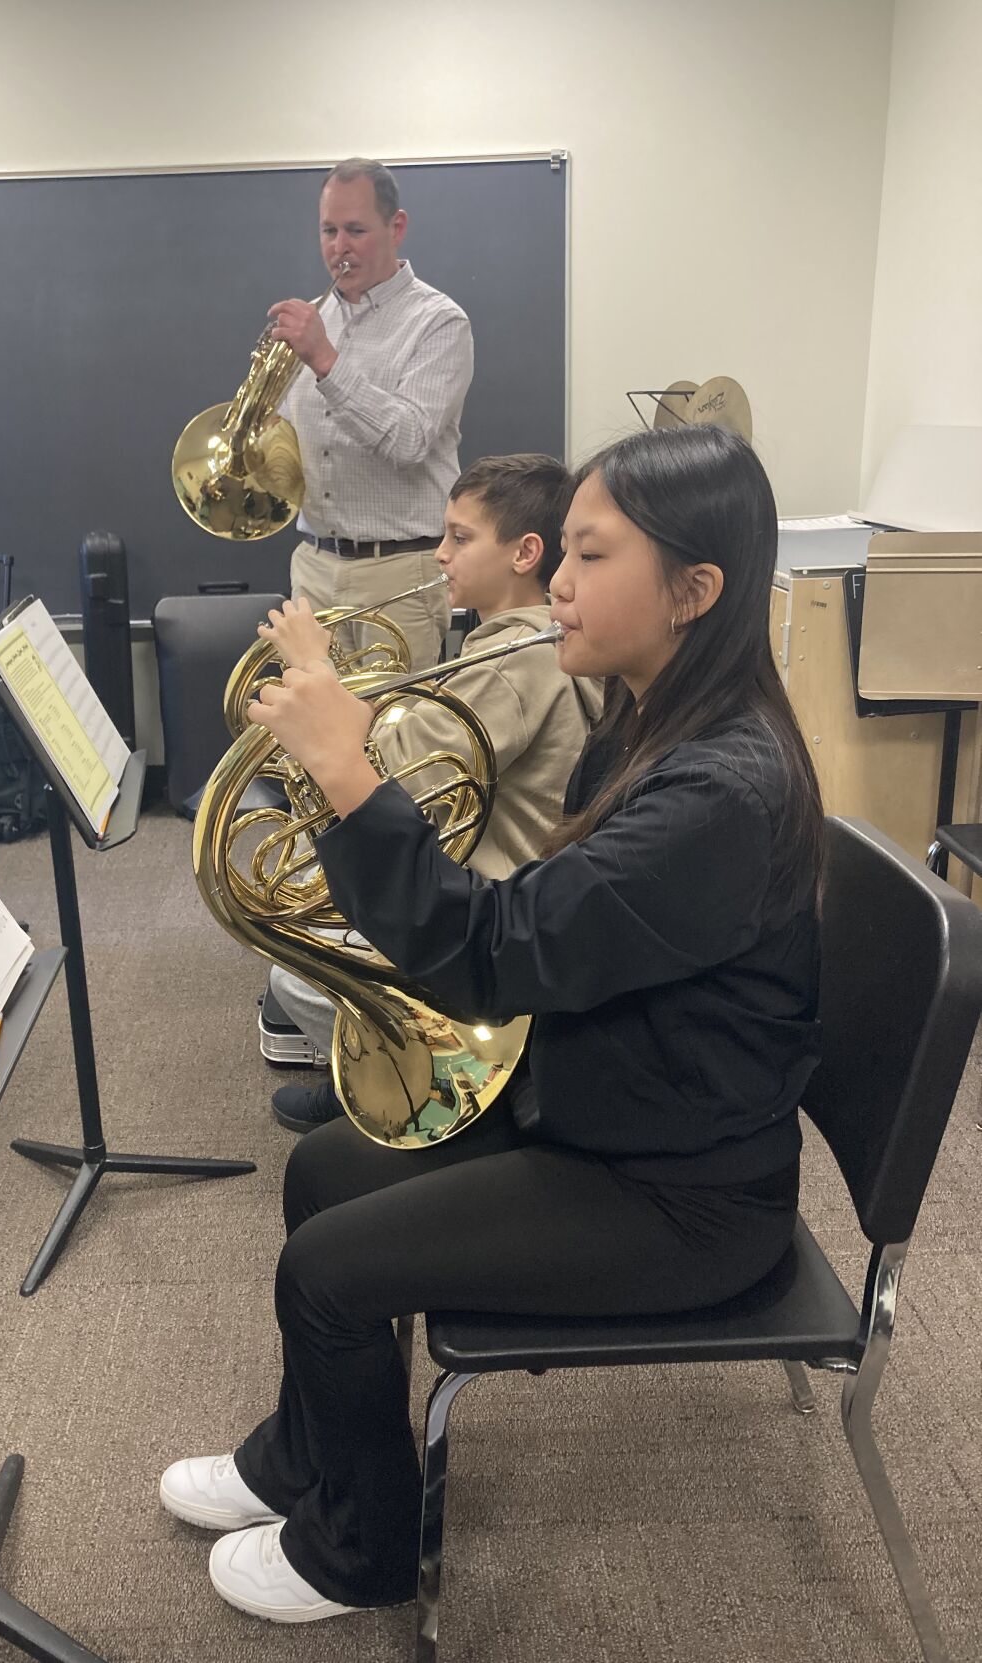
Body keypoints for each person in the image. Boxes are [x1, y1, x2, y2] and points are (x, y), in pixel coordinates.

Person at [160, 424, 825, 1626]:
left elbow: (494, 955)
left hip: (682, 1194)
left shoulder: (717, 791)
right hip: (606, 1099)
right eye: (557, 551)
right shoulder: (647, 718)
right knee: (320, 1172)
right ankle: (300, 1458)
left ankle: (358, 1550)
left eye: (587, 555)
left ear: (692, 590)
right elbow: (545, 939)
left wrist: (353, 776)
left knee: (325, 1274)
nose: (555, 583)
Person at [262, 452, 603, 1133]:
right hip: (504, 896)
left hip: (482, 921)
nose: (439, 554)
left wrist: (314, 670)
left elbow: (386, 783)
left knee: (290, 971)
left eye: (459, 537)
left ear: (524, 552)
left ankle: (395, 1062)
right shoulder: (525, 641)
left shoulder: (510, 660)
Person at [268, 158, 473, 672]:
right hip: (314, 565)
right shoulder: (315, 321)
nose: (340, 247)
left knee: (392, 738)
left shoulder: (439, 322)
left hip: (400, 571)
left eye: (356, 230)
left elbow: (409, 439)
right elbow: (288, 443)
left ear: (396, 227)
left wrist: (325, 361)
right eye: (330, 231)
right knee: (312, 728)